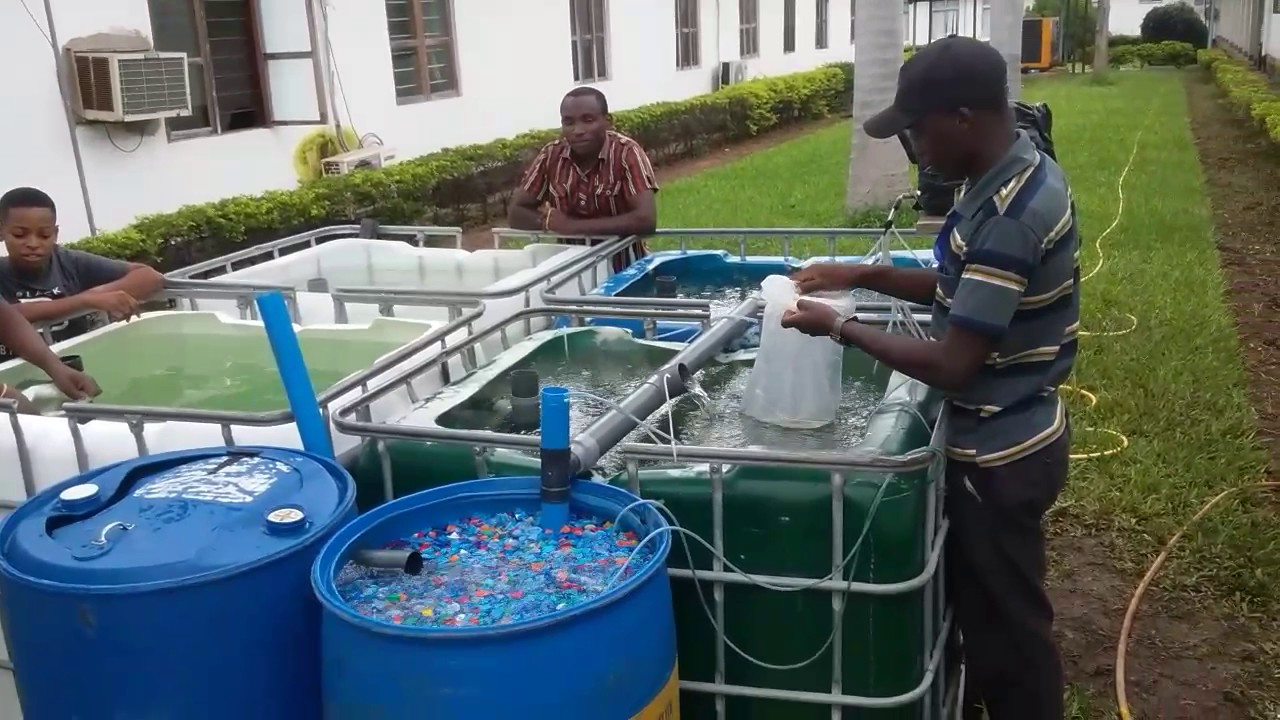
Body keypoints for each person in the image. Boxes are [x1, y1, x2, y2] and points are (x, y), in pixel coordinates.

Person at [782, 37, 1076, 719]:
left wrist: (839, 326)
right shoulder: (1001, 175)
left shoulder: (1011, 212)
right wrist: (864, 274)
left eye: (918, 129)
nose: (914, 145)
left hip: (1003, 454)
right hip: (1009, 431)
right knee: (985, 607)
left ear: (964, 116)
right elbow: (958, 287)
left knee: (1012, 630)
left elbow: (952, 362)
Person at [0, 187, 165, 363]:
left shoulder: (69, 262)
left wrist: (100, 295)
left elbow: (149, 277)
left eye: (44, 235)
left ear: (55, 234)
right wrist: (86, 301)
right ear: (1, 231)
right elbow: (9, 314)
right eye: (19, 235)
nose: (33, 243)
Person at [508, 87, 658, 272]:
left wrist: (572, 227)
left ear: (608, 122)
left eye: (588, 120)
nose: (578, 130)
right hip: (570, 270)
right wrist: (547, 222)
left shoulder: (626, 153)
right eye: (568, 122)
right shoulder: (551, 155)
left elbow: (646, 220)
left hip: (624, 269)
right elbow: (516, 213)